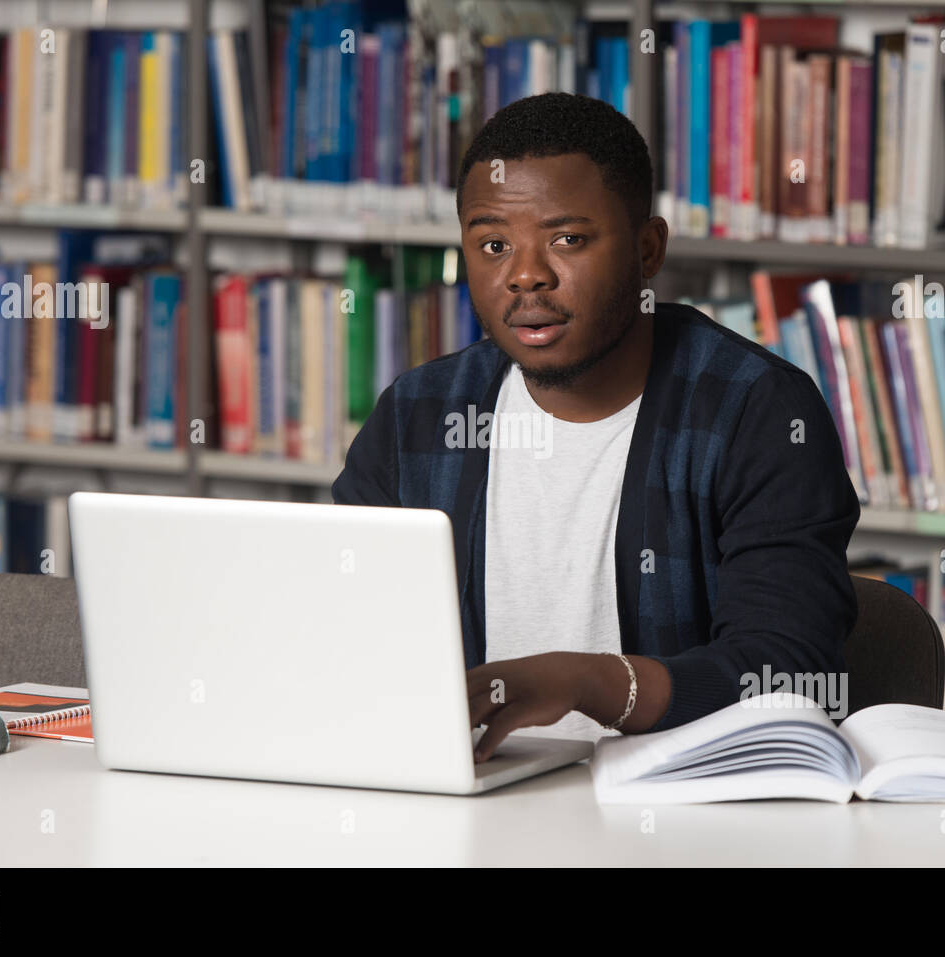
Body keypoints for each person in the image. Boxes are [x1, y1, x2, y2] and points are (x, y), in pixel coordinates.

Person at [333, 92, 859, 761]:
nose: (525, 274)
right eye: (493, 244)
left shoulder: (756, 411)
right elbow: (337, 622)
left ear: (647, 250)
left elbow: (791, 673)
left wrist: (591, 681)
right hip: (467, 808)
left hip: (679, 823)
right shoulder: (422, 414)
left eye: (567, 240)